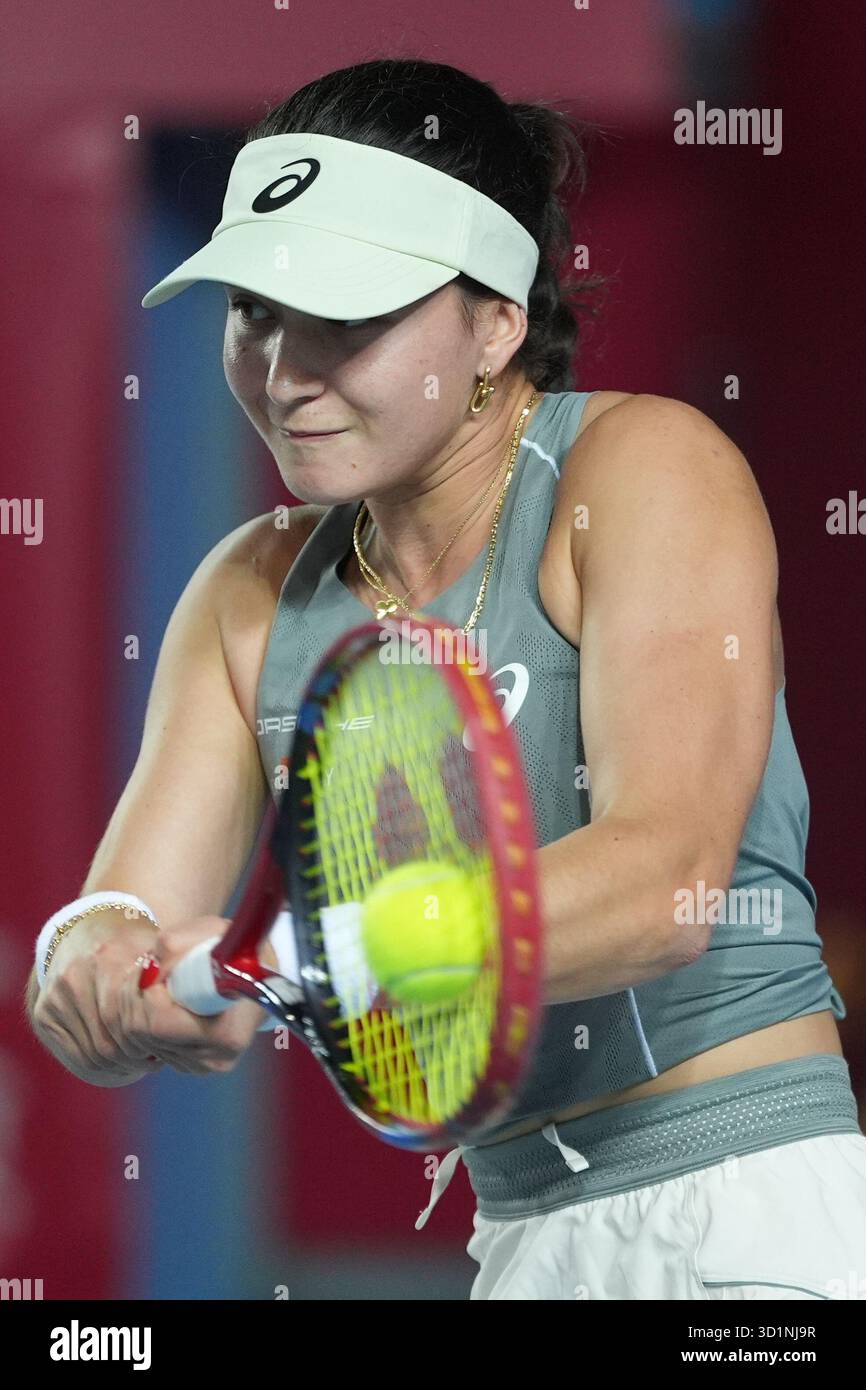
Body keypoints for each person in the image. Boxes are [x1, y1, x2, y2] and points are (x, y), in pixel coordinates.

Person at [26, 57, 866, 1299]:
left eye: (348, 319)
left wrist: (338, 945)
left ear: (496, 322)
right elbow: (122, 920)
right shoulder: (244, 589)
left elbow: (667, 886)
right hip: (519, 1237)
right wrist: (91, 969)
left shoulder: (641, 468)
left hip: (743, 1220)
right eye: (254, 309)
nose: (285, 370)